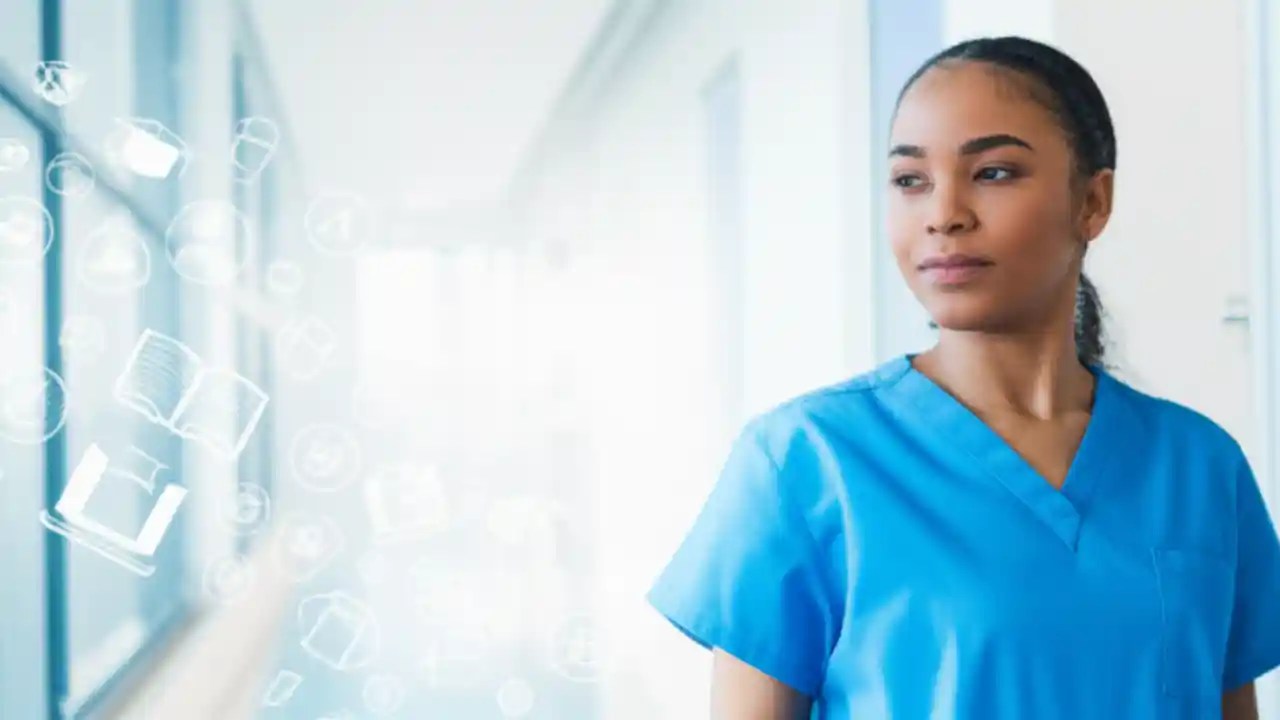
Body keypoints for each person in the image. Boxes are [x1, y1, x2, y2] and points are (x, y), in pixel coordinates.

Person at [645, 35, 1280, 719]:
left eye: (994, 172)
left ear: (1092, 202)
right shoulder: (805, 461)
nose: (944, 213)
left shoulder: (1198, 466)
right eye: (910, 180)